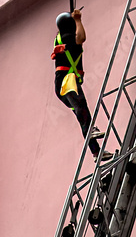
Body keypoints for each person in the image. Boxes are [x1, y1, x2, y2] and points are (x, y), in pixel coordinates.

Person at [52, 9, 103, 160]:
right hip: (67, 81)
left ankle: (96, 152)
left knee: (83, 115)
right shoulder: (67, 37)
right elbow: (81, 37)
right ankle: (92, 134)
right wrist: (78, 20)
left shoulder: (60, 38)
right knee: (82, 108)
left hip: (64, 83)